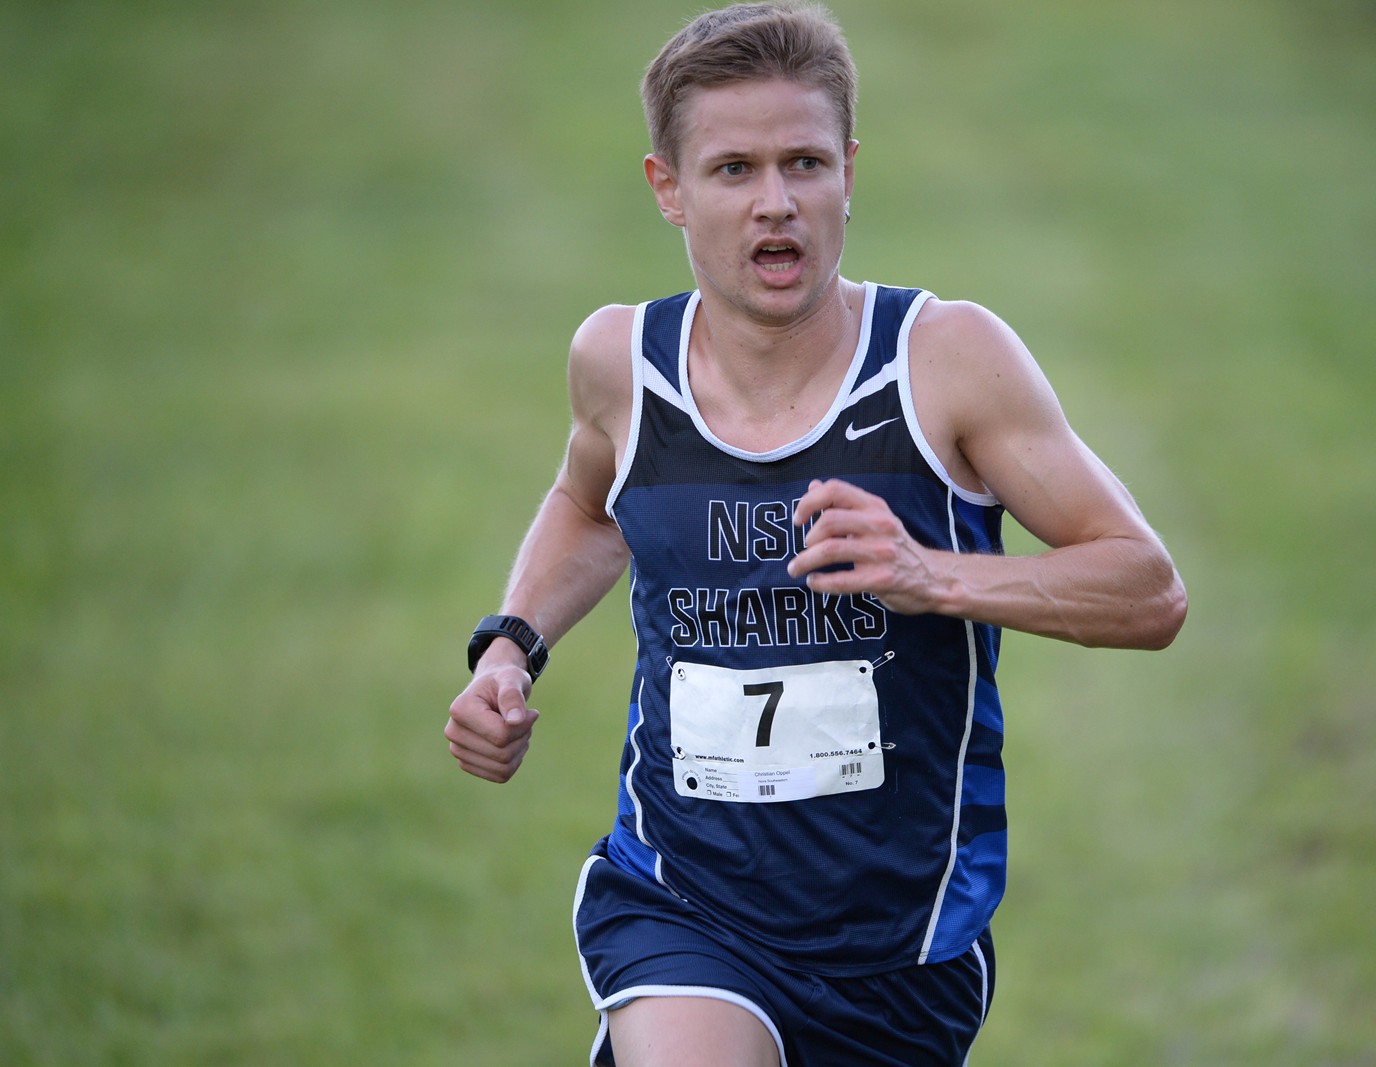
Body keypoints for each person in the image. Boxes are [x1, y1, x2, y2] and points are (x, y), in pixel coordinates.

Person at [445, 3, 1187, 1064]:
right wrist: (512, 643)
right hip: (681, 898)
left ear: (849, 168)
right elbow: (586, 502)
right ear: (669, 188)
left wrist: (932, 574)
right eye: (733, 170)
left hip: (900, 947)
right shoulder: (621, 362)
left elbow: (1147, 590)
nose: (776, 204)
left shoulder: (944, 361)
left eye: (803, 163)